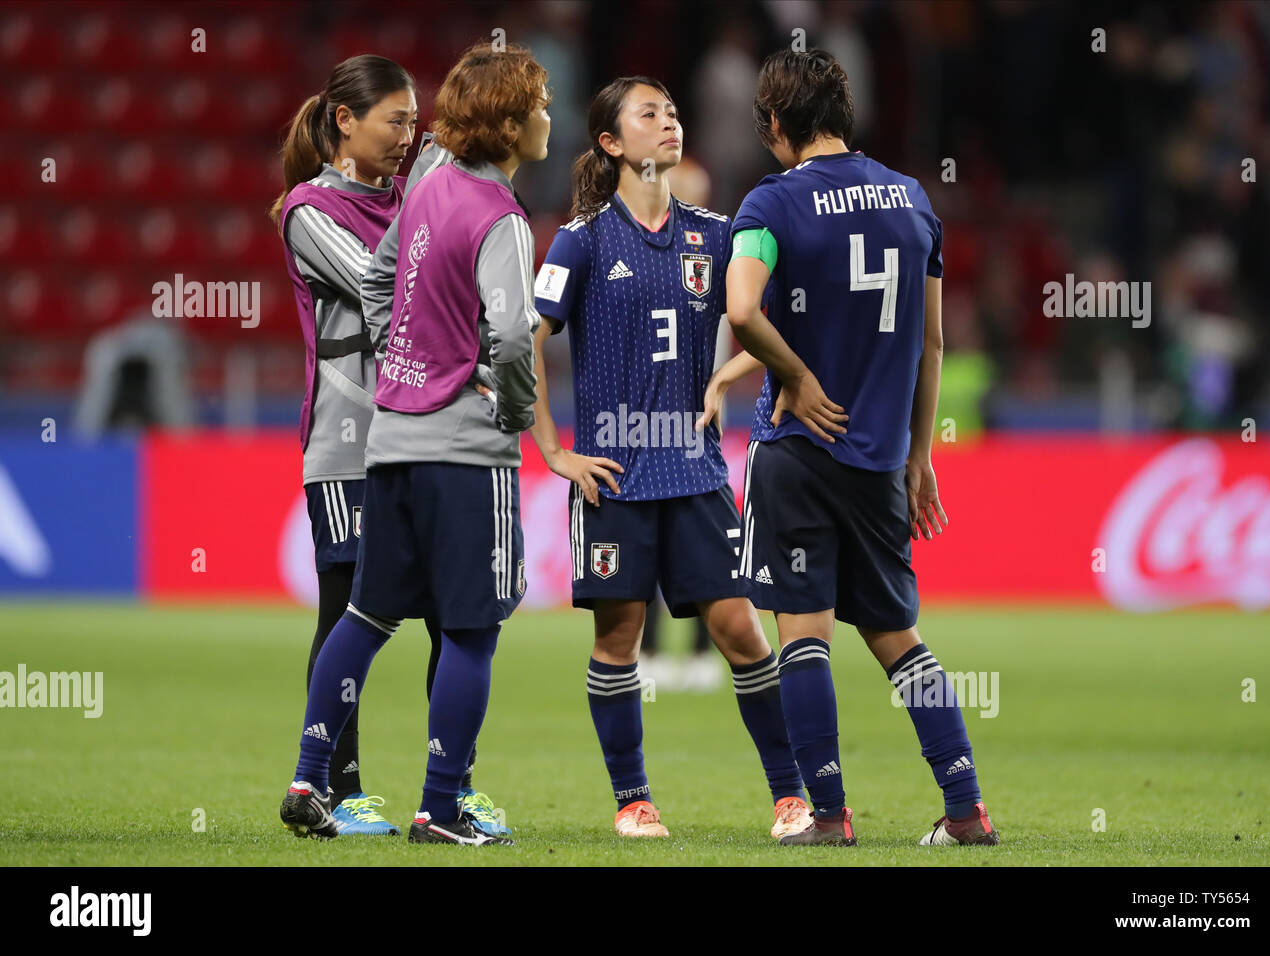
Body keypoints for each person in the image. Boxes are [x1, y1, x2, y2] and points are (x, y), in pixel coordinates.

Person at [719, 48, 999, 847]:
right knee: (898, 639)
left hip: (800, 452)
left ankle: (831, 818)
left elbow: (741, 309)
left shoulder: (770, 204)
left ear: (776, 123)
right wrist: (920, 455)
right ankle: (966, 808)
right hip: (881, 457)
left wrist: (797, 376)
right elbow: (934, 342)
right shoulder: (912, 201)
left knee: (803, 635)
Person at [278, 41, 549, 846]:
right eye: (538, 106)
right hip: (451, 444)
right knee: (467, 627)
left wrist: (405, 364)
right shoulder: (497, 214)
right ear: (508, 123)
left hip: (389, 436)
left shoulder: (423, 194)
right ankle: (438, 802)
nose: (547, 119)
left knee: (363, 615)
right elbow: (509, 336)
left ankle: (312, 773)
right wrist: (513, 410)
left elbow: (378, 283)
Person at [529, 76, 812, 840]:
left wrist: (737, 371)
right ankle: (633, 800)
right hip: (613, 478)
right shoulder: (581, 238)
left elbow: (775, 317)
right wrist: (552, 448)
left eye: (675, 113)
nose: (670, 124)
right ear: (613, 143)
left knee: (743, 632)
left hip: (694, 473)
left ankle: (790, 797)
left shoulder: (715, 234)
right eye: (649, 115)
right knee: (618, 642)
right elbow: (523, 342)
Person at [272, 53, 425, 836]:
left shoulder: (413, 198)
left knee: (449, 613)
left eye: (412, 121)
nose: (409, 135)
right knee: (346, 615)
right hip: (347, 440)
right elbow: (392, 292)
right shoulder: (308, 209)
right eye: (394, 120)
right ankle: (342, 788)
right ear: (345, 121)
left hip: (421, 435)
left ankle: (448, 788)